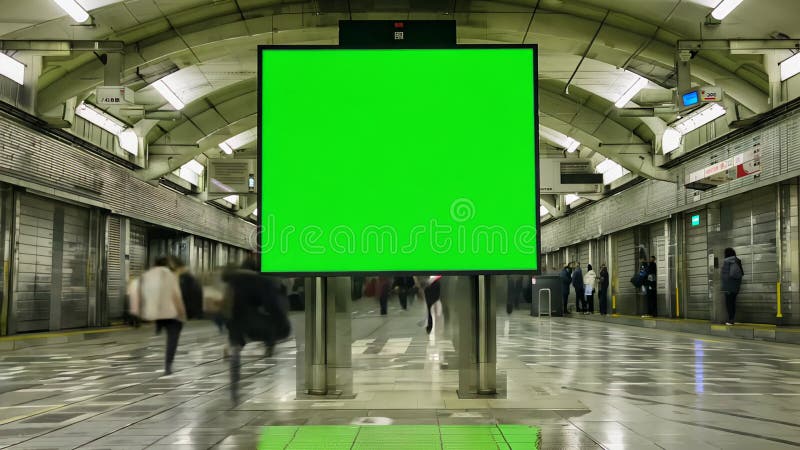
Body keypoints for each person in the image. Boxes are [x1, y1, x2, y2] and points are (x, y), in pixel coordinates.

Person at [222, 267, 290, 402]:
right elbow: (271, 304)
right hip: (255, 320)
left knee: (236, 348)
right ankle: (269, 345)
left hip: (236, 321)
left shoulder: (234, 281)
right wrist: (280, 320)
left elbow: (227, 303)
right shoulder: (262, 281)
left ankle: (234, 386)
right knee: (268, 332)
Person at [129, 256, 186, 376]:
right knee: (173, 337)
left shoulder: (147, 275)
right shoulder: (170, 275)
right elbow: (176, 295)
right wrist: (181, 312)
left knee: (166, 326)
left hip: (155, 313)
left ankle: (159, 327)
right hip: (170, 313)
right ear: (167, 264)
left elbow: (139, 294)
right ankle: (168, 365)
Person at [721, 247, 744, 325]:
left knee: (729, 303)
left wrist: (724, 285)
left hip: (728, 286)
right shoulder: (737, 261)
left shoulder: (726, 261)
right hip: (736, 286)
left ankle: (730, 320)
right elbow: (741, 274)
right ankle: (732, 319)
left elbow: (724, 275)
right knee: (733, 303)